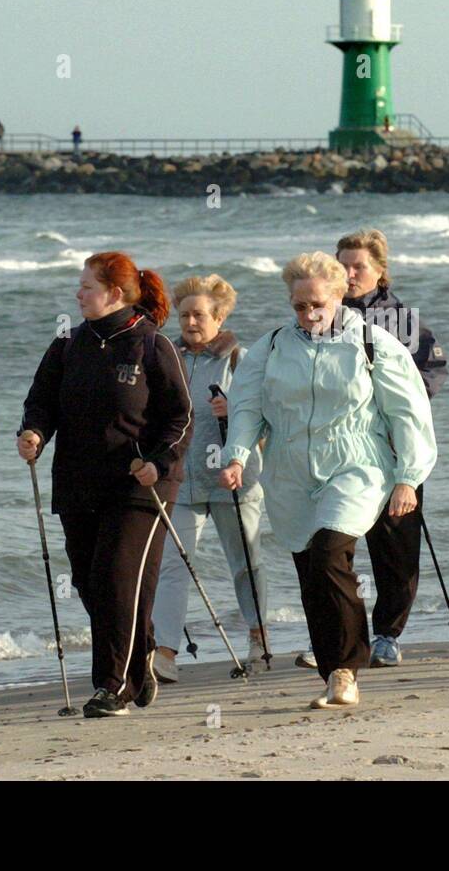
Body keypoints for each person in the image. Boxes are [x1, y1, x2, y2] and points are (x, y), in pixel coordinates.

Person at [218, 252, 436, 709]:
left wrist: (408, 479)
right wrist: (237, 455)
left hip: (358, 463)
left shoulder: (374, 345)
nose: (309, 314)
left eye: (317, 303)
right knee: (311, 572)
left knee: (329, 552)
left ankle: (345, 669)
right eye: (299, 306)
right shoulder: (272, 347)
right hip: (290, 469)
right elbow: (246, 407)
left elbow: (410, 415)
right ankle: (332, 669)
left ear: (339, 296)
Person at [18, 252, 192, 718]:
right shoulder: (67, 344)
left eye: (86, 287)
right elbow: (41, 401)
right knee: (89, 583)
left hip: (141, 486)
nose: (78, 294)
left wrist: (158, 461)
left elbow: (181, 415)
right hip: (77, 483)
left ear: (115, 294)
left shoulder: (151, 345)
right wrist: (33, 432)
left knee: (116, 581)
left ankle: (112, 687)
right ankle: (142, 652)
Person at [333, 228, 448, 668]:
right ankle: (341, 633)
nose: (349, 273)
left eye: (358, 265)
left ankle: (386, 634)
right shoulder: (323, 315)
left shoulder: (401, 318)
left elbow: (434, 368)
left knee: (395, 549)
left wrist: (397, 404)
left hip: (396, 450)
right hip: (341, 450)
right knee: (334, 542)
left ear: (381, 271)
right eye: (342, 264)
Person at [150, 273, 267, 683]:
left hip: (234, 479)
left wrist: (232, 411)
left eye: (199, 315)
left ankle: (258, 638)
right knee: (173, 565)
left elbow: (264, 419)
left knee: (245, 563)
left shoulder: (243, 359)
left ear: (218, 317)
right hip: (182, 480)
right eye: (184, 315)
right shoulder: (167, 356)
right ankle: (164, 652)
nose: (190, 323)